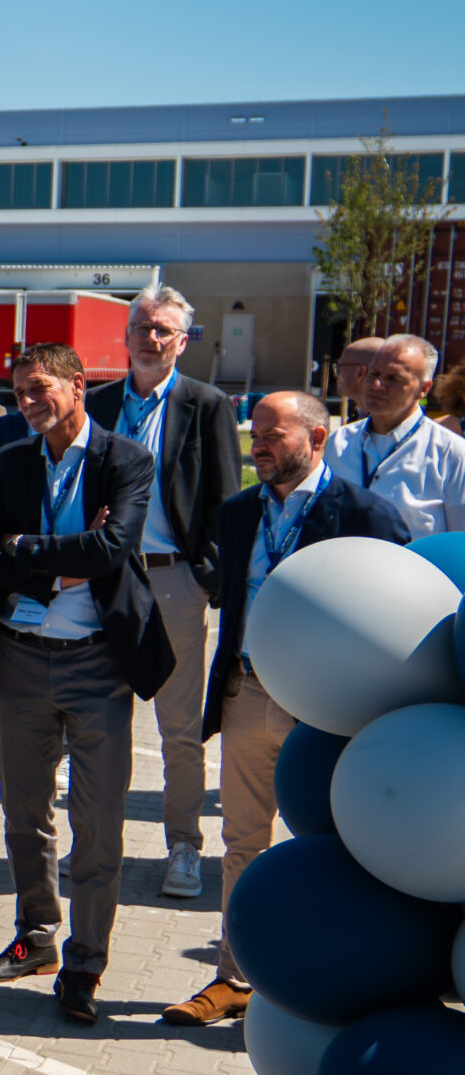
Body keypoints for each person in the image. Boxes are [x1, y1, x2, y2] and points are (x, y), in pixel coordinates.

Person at [163, 390, 409, 1028]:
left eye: (273, 435)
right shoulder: (239, 511)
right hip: (248, 694)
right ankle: (233, 977)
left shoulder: (365, 515)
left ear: (318, 439)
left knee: (326, 850)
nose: (258, 447)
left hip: (326, 713)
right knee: (242, 843)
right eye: (255, 436)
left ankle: (326, 983)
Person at [0, 342, 174, 1024]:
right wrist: (53, 563)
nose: (26, 403)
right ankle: (37, 936)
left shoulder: (125, 459)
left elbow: (113, 551)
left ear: (79, 385)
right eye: (18, 391)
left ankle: (85, 960)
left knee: (98, 823)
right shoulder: (14, 458)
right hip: (19, 658)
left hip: (97, 663)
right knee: (24, 814)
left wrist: (27, 548)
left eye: (39, 388)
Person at [82, 284, 238, 899]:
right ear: (125, 335)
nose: (151, 338)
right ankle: (98, 842)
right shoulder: (97, 403)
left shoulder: (207, 405)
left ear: (182, 339)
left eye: (163, 330)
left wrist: (207, 575)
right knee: (99, 720)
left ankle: (183, 847)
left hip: (174, 581)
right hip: (105, 580)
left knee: (179, 727)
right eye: (142, 327)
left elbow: (226, 497)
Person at [322, 334, 465, 539]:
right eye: (374, 373)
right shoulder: (337, 443)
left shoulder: (453, 454)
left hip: (412, 570)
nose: (377, 385)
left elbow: (459, 545)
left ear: (423, 389)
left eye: (393, 378)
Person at [332, 335, 385, 423]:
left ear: (360, 372)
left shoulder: (385, 427)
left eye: (339, 368)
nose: (337, 375)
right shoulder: (358, 417)